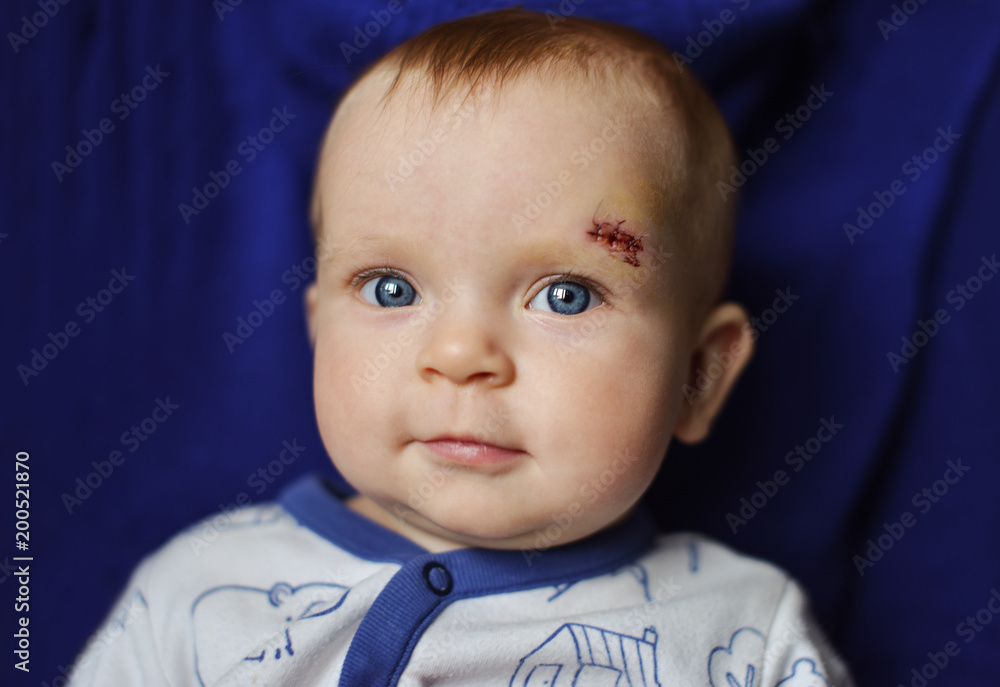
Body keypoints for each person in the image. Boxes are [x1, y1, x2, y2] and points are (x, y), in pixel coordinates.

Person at [68, 9, 853, 686]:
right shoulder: (201, 587)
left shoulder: (746, 632)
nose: (460, 354)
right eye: (390, 289)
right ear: (316, 330)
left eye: (565, 295)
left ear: (699, 375)